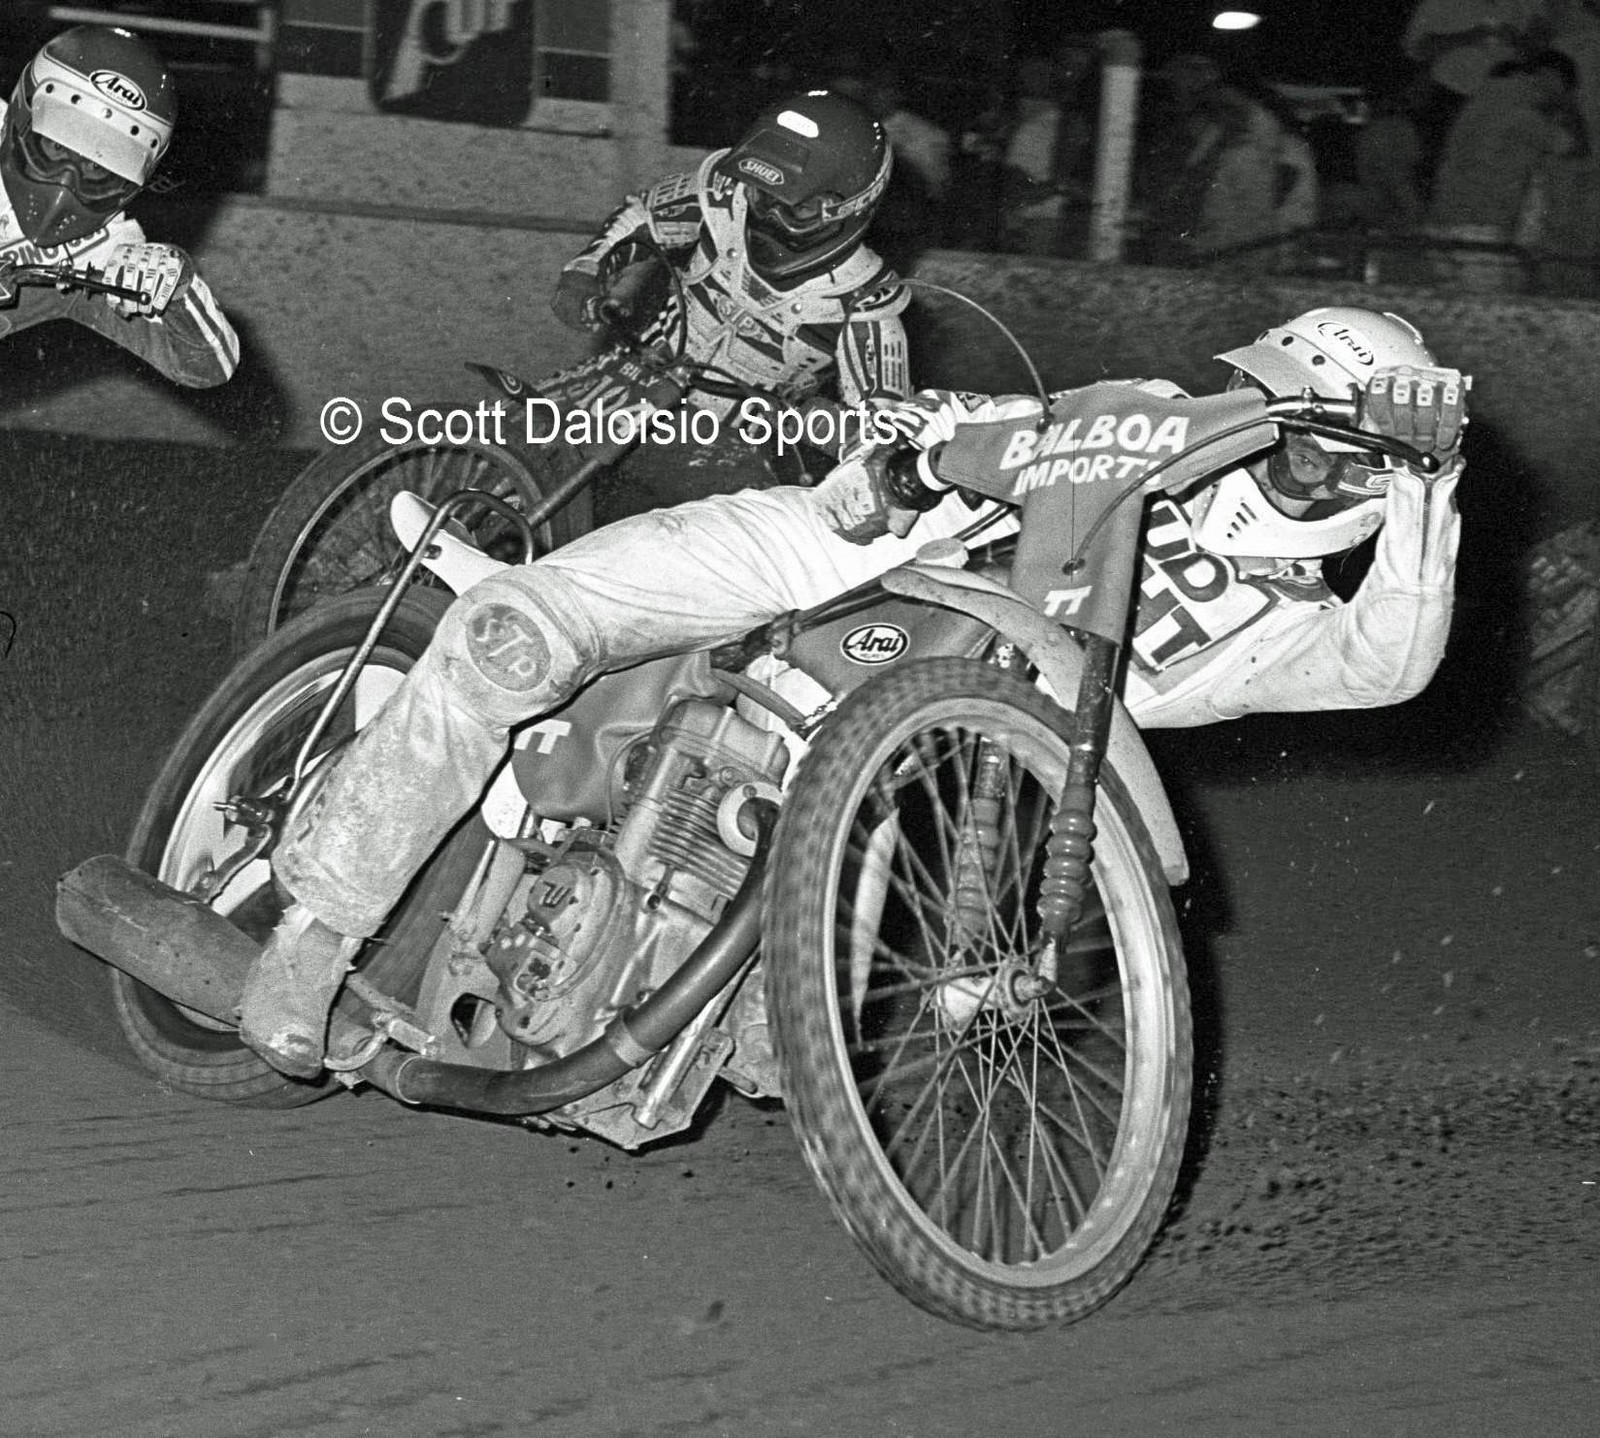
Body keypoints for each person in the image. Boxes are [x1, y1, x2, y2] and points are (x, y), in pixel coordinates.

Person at [235, 306, 1469, 1078]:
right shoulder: (1147, 423)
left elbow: (1396, 662)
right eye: (1283, 417)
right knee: (511, 632)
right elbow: (967, 435)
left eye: (1330, 447)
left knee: (811, 987)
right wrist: (913, 451)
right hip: (828, 559)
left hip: (908, 727)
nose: (1294, 456)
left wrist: (1428, 486)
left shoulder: (1288, 626)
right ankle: (317, 930)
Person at [547, 87, 910, 488]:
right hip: (634, 377)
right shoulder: (724, 197)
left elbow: (883, 431)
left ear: (850, 206)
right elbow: (645, 216)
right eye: (762, 193)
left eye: (796, 206)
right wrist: (586, 271)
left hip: (728, 444)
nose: (768, 215)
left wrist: (835, 427)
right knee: (522, 429)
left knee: (680, 530)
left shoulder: (865, 302)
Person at [0, 24, 238, 387]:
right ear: (21, 114)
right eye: (57, 147)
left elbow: (208, 366)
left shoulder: (104, 254)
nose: (66, 186)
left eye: (97, 166)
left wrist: (176, 288)